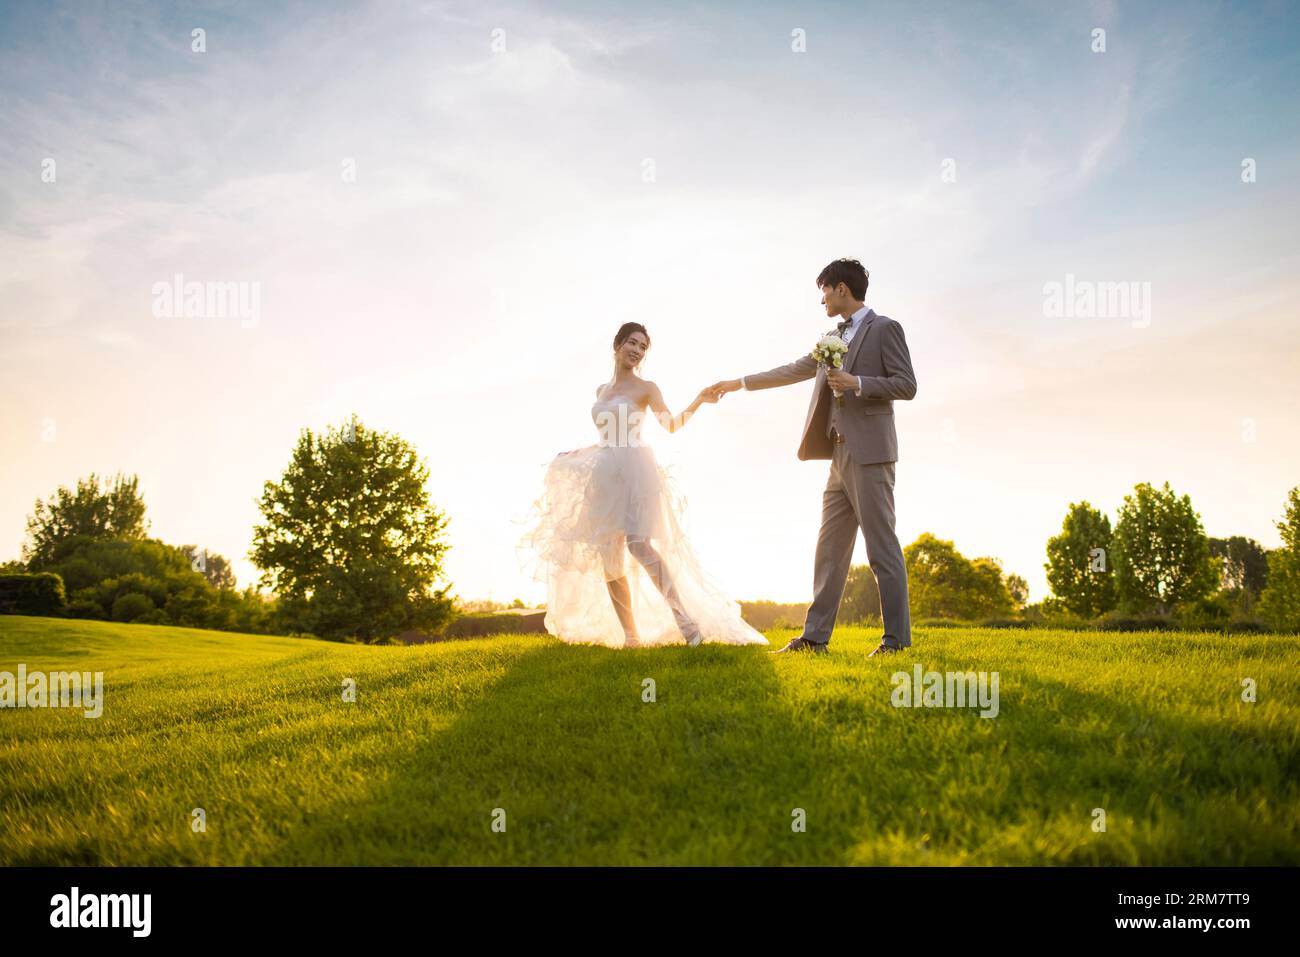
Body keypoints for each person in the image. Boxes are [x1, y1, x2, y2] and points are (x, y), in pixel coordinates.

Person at [709, 258, 916, 657]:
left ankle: (895, 642)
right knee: (828, 552)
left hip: (871, 455)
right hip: (837, 456)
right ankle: (814, 638)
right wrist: (739, 383)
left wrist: (857, 383)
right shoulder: (830, 336)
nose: (820, 298)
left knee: (881, 549)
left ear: (841, 288)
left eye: (823, 289)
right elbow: (795, 369)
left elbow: (906, 384)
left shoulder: (885, 328)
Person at [518, 322, 768, 649]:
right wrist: (579, 453)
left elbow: (670, 425)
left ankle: (686, 621)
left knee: (639, 544)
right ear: (618, 345)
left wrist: (697, 401)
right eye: (632, 343)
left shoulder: (646, 388)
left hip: (636, 470)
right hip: (606, 475)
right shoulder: (601, 391)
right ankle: (631, 635)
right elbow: (607, 438)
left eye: (642, 347)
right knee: (610, 553)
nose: (637, 351)